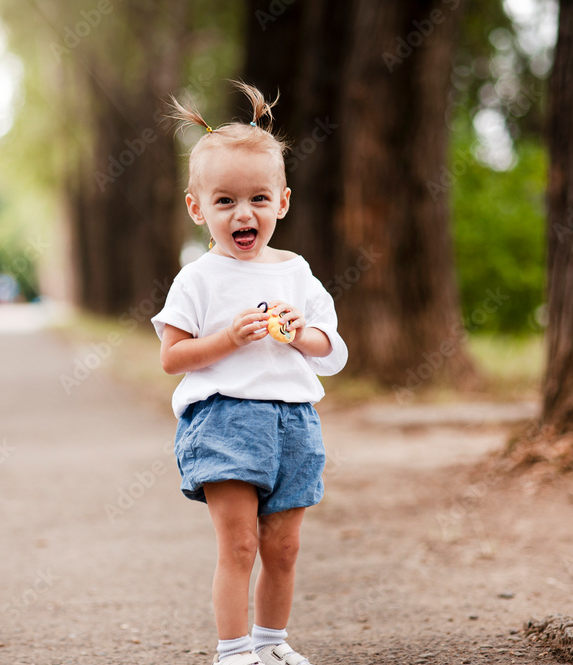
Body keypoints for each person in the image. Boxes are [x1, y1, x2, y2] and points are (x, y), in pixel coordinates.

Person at [151, 81, 348, 665]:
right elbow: (172, 357)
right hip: (224, 421)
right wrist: (226, 340)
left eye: (259, 199)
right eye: (225, 201)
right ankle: (233, 651)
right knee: (238, 545)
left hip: (295, 423)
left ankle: (271, 642)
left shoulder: (297, 274)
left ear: (282, 202)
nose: (244, 213)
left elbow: (332, 353)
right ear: (198, 208)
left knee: (282, 547)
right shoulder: (198, 279)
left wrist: (299, 333)